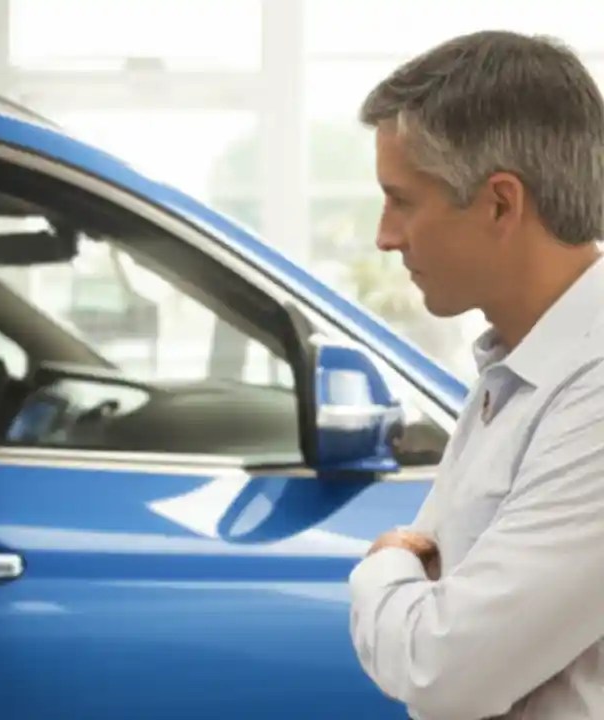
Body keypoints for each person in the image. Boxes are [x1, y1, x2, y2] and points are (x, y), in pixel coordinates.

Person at [349, 30, 604, 719]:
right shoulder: (520, 362)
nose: (385, 235)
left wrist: (382, 567)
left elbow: (444, 672)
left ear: (499, 203)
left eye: (402, 200)